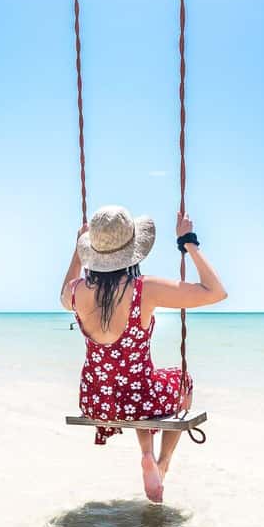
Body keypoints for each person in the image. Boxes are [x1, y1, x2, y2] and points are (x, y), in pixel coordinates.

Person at [60, 205, 227, 502]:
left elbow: (63, 293)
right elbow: (215, 292)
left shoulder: (76, 292)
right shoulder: (143, 289)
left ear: (93, 251)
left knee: (136, 385)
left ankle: (147, 453)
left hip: (97, 401)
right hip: (140, 398)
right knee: (181, 379)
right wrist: (188, 241)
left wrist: (78, 250)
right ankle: (160, 463)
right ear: (132, 250)